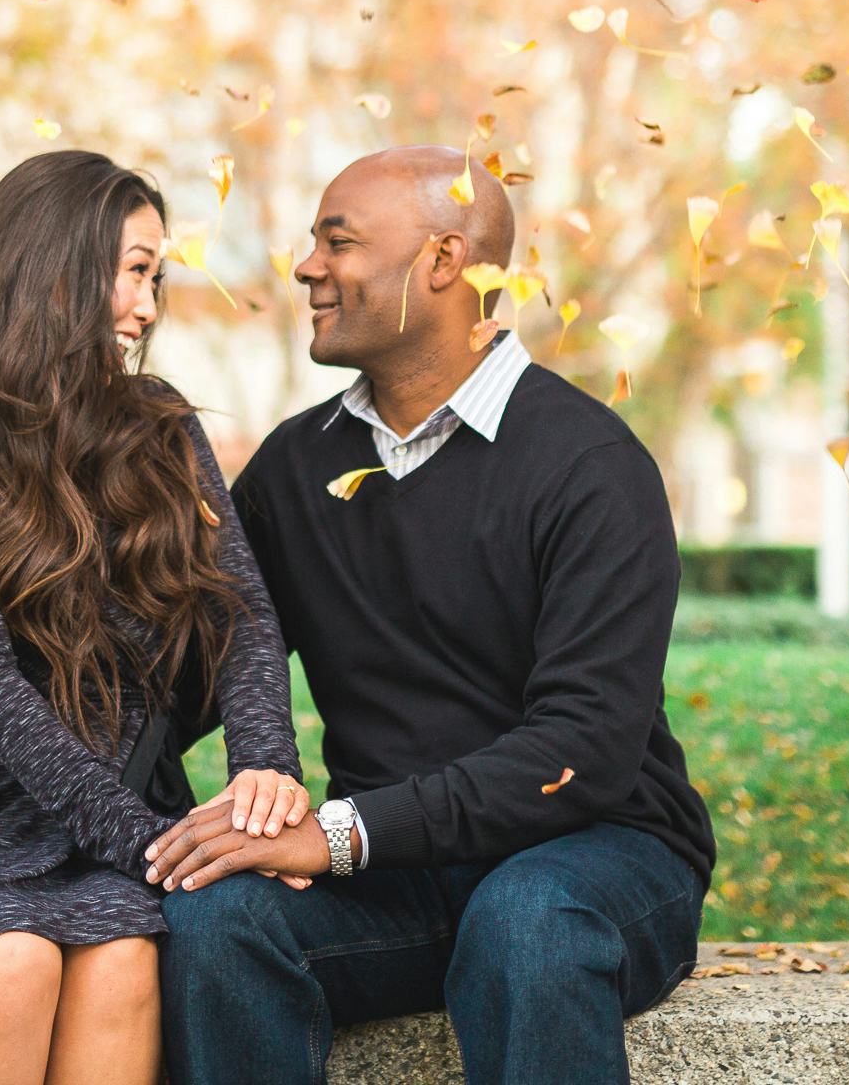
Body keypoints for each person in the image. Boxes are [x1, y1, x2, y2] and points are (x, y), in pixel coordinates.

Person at [148, 148, 713, 1085]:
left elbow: (583, 752)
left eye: (340, 242)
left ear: (445, 263)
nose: (306, 267)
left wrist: (336, 833)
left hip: (599, 857)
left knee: (528, 921)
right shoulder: (295, 469)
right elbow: (190, 677)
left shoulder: (590, 466)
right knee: (214, 918)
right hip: (394, 878)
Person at [0, 152, 305, 1084]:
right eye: (135, 271)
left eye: (156, 277)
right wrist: (148, 843)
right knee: (10, 960)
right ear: (54, 268)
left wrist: (264, 774)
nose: (150, 307)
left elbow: (240, 610)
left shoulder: (159, 425)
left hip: (117, 835)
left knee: (124, 963)